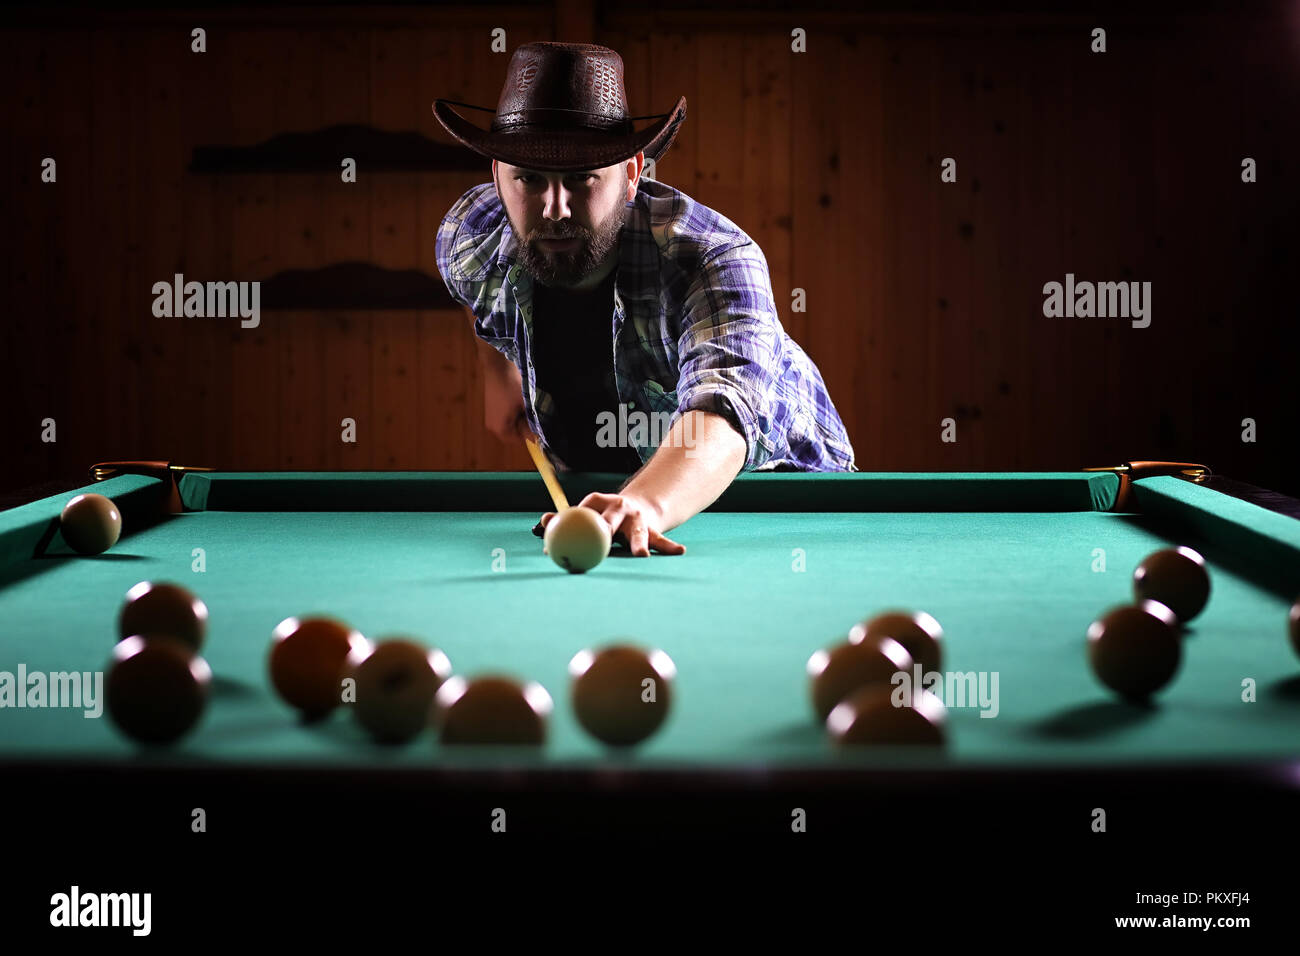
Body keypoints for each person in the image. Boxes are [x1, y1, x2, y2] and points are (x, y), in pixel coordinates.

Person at [434, 41, 855, 558]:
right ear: (497, 175)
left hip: (779, 510)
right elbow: (473, 296)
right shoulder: (471, 237)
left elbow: (723, 410)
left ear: (632, 173)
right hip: (614, 504)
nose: (555, 209)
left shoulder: (712, 259)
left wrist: (646, 505)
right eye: (530, 178)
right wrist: (497, 372)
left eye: (582, 178)